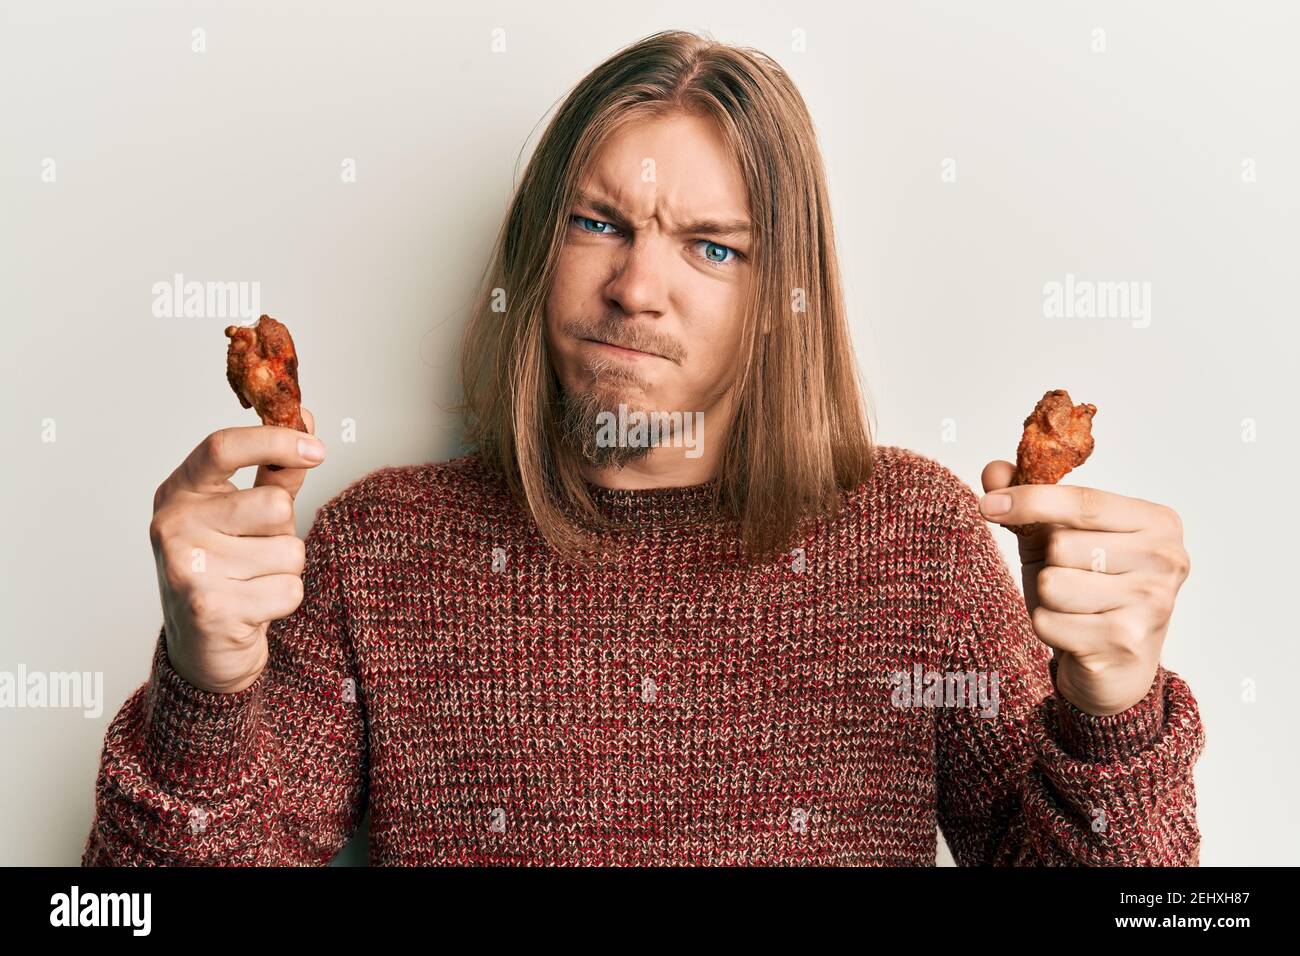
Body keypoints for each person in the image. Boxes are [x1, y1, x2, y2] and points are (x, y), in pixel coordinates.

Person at [84, 29, 1202, 866]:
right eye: (598, 222)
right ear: (539, 247)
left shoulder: (913, 544)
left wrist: (1113, 714)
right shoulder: (380, 551)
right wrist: (204, 688)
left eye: (711, 247)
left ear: (780, 299)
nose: (635, 287)